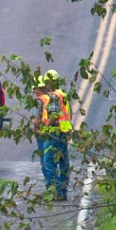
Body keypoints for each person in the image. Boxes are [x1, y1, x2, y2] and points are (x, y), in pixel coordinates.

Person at [40, 70, 73, 201]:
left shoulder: (53, 96)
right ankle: (63, 190)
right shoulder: (63, 95)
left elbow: (53, 116)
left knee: (49, 161)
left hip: (54, 132)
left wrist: (46, 127)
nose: (45, 86)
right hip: (64, 132)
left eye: (46, 83)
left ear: (50, 83)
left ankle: (55, 191)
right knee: (63, 162)